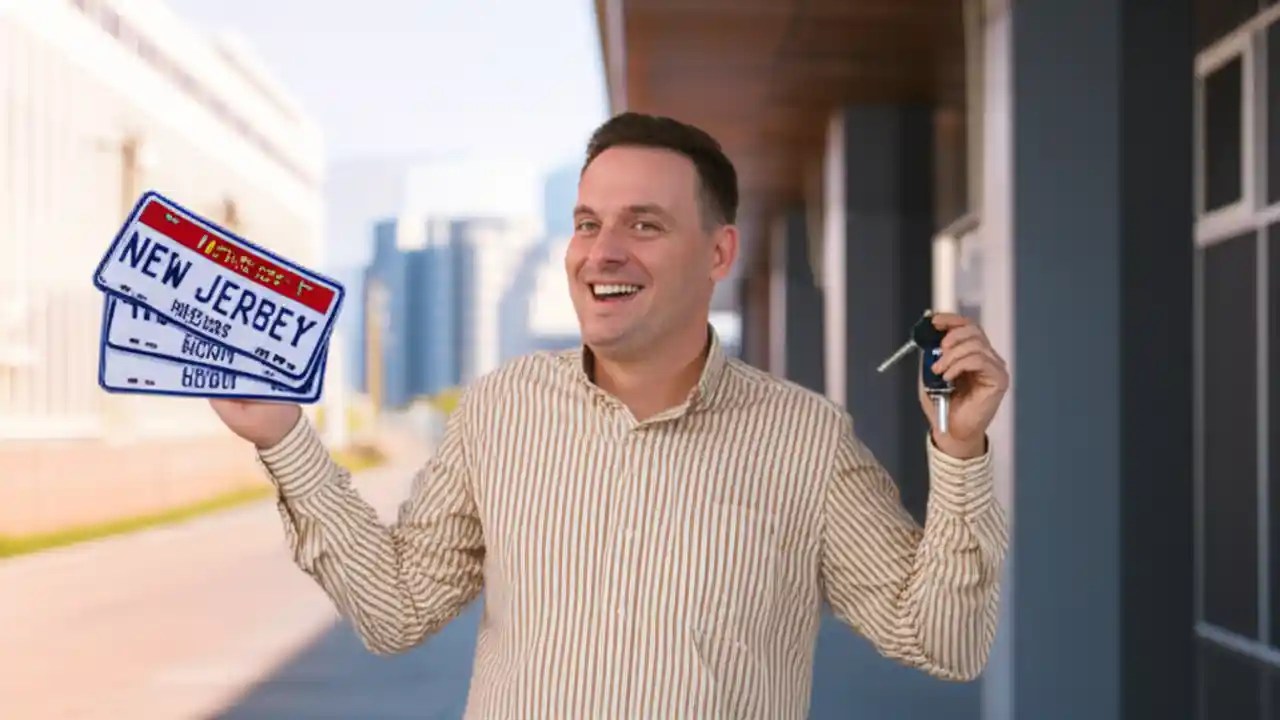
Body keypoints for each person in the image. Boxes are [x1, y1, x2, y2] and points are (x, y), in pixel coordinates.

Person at [211, 111, 1010, 719]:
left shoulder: (804, 439)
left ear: (720, 254)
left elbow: (943, 641)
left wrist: (962, 455)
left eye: (645, 224)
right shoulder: (503, 409)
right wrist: (286, 438)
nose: (603, 251)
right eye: (588, 223)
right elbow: (396, 612)